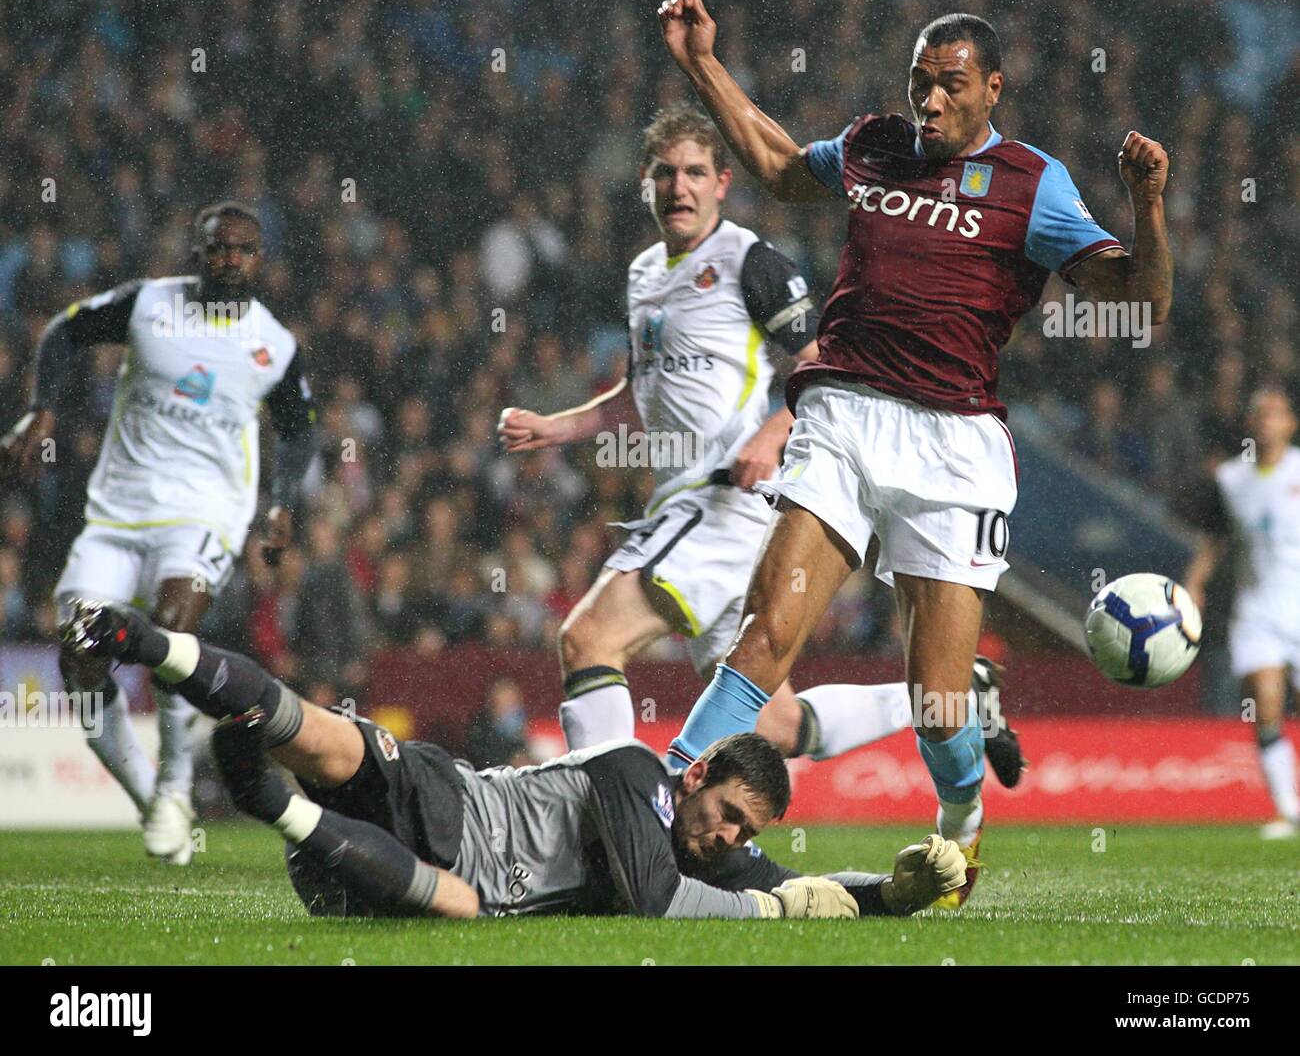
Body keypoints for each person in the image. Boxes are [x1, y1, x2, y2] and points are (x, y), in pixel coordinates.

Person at [654, 0, 1173, 905]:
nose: (930, 103)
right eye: (920, 84)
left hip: (953, 446)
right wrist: (702, 63)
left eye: (951, 87)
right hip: (845, 416)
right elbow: (778, 165)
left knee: (937, 707)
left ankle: (961, 830)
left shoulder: (1032, 181)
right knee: (769, 630)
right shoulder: (874, 145)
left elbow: (1143, 296)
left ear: (993, 89)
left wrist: (1148, 206)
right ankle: (667, 799)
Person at [498, 104, 1025, 786]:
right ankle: (960, 692)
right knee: (780, 724)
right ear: (645, 182)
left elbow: (824, 361)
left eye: (694, 172)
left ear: (723, 181)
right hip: (686, 504)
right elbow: (641, 391)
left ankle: (607, 817)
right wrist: (556, 427)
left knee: (588, 637)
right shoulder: (643, 274)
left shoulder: (750, 261)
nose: (679, 187)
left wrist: (774, 431)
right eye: (665, 173)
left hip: (723, 501)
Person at [61, 598, 968, 919]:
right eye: (726, 811)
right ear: (693, 774)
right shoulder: (632, 772)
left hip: (376, 875)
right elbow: (654, 899)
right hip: (447, 806)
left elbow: (798, 882)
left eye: (744, 832)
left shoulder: (718, 852)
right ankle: (136, 636)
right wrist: (767, 916)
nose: (729, 837)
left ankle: (279, 807)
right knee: (315, 730)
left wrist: (891, 894)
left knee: (459, 901)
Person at [0, 202, 318, 864]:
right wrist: (42, 409)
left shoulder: (274, 345)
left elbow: (298, 428)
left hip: (206, 515)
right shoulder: (148, 305)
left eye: (243, 250)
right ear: (197, 254)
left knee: (171, 631)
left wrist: (282, 504)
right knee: (79, 655)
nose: (230, 259)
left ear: (260, 260)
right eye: (218, 248)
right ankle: (153, 799)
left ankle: (177, 779)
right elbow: (64, 330)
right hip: (116, 515)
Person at [1185, 388, 1300, 839]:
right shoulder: (1231, 478)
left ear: (1291, 423)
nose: (1267, 421)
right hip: (1257, 611)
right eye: (1259, 414)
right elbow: (1215, 537)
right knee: (1266, 706)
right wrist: (1194, 581)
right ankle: (1288, 810)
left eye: (1275, 413)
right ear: (1249, 425)